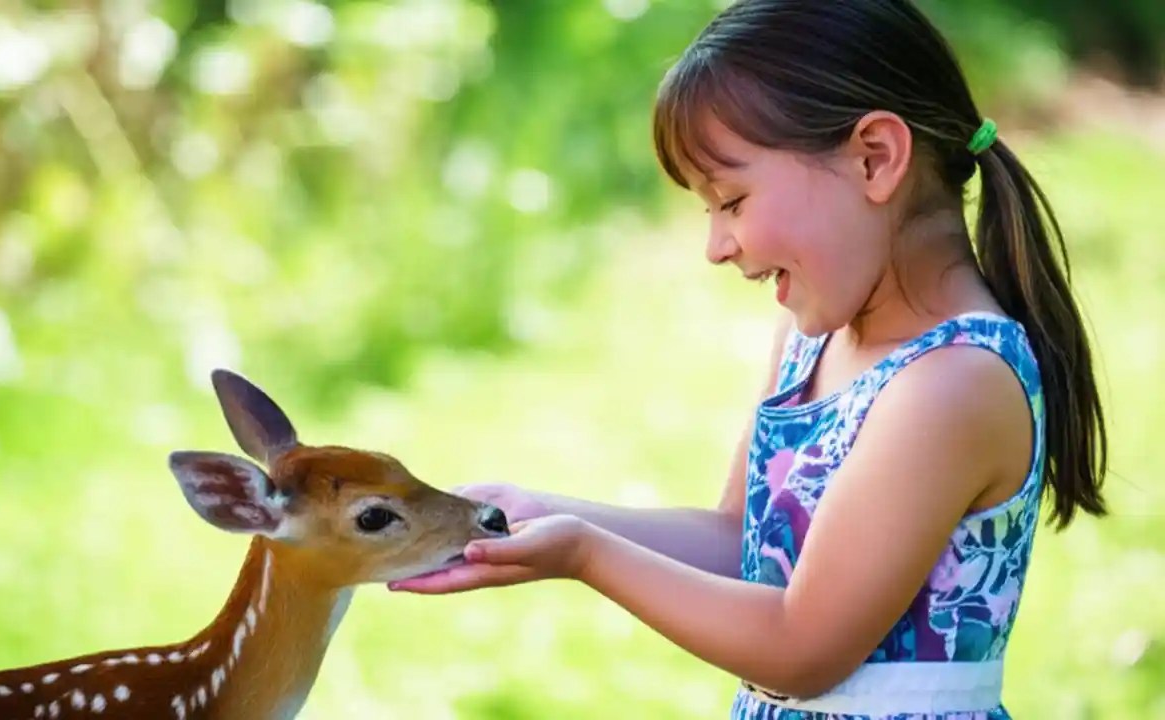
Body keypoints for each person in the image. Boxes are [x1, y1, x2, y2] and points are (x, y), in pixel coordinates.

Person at [389, 1, 1108, 717]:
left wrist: (586, 556)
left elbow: (803, 646)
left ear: (875, 158)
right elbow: (741, 542)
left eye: (730, 200)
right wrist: (550, 514)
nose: (716, 245)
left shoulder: (953, 383)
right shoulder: (813, 338)